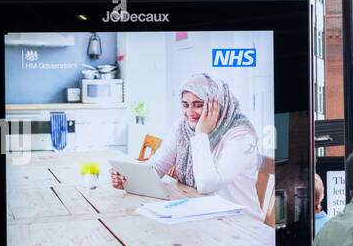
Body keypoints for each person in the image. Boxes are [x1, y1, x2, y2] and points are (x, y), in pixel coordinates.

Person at [110, 72, 263, 220]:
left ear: (218, 104)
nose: (190, 112)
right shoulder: (182, 128)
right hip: (202, 214)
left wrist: (201, 134)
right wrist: (128, 179)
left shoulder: (241, 136)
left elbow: (207, 185)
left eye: (198, 105)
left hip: (240, 223)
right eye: (185, 105)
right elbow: (155, 168)